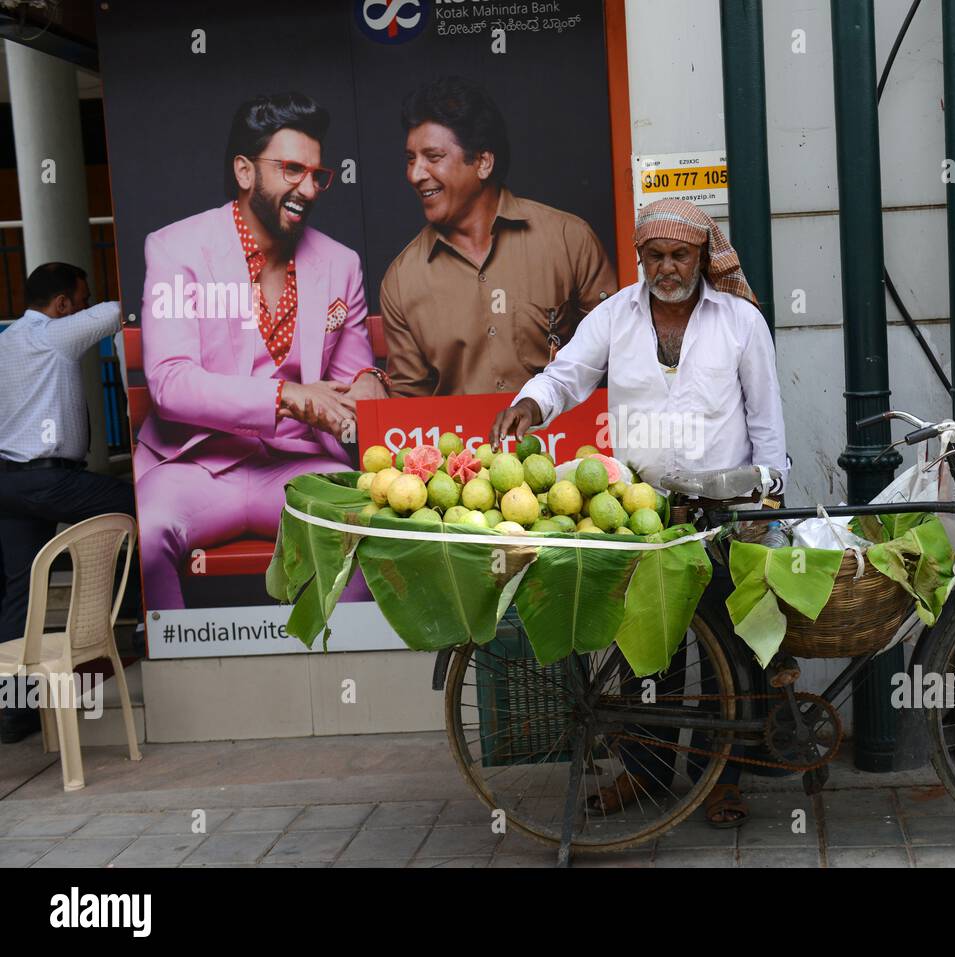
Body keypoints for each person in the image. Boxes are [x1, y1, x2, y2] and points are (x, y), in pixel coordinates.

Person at [490, 198, 790, 827]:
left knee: (728, 651)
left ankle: (724, 778)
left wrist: (771, 495)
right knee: (644, 648)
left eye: (680, 254)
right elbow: (566, 374)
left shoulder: (740, 321)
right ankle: (646, 775)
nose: (667, 267)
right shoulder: (614, 316)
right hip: (642, 509)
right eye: (654, 255)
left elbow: (765, 418)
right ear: (640, 258)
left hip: (726, 509)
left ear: (703, 257)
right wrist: (530, 403)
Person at [132, 92, 388, 611]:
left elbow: (351, 375)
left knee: (372, 526)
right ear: (245, 172)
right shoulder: (176, 249)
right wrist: (286, 395)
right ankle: (183, 678)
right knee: (148, 532)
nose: (308, 187)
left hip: (295, 467)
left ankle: (340, 670)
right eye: (291, 168)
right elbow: (170, 384)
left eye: (318, 174)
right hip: (196, 464)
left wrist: (367, 385)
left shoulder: (341, 264)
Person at [380, 76, 618, 398]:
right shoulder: (402, 280)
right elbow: (409, 407)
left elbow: (616, 358)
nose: (415, 174)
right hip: (459, 446)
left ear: (482, 162)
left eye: (432, 157)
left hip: (566, 443)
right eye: (411, 159)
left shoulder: (568, 240)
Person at [0, 263, 134, 742]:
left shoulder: (5, 343)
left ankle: (16, 713)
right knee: (143, 503)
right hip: (51, 480)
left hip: (9, 484)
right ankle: (139, 618)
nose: (82, 308)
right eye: (79, 300)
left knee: (22, 591)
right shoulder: (52, 336)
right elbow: (122, 308)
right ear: (60, 305)